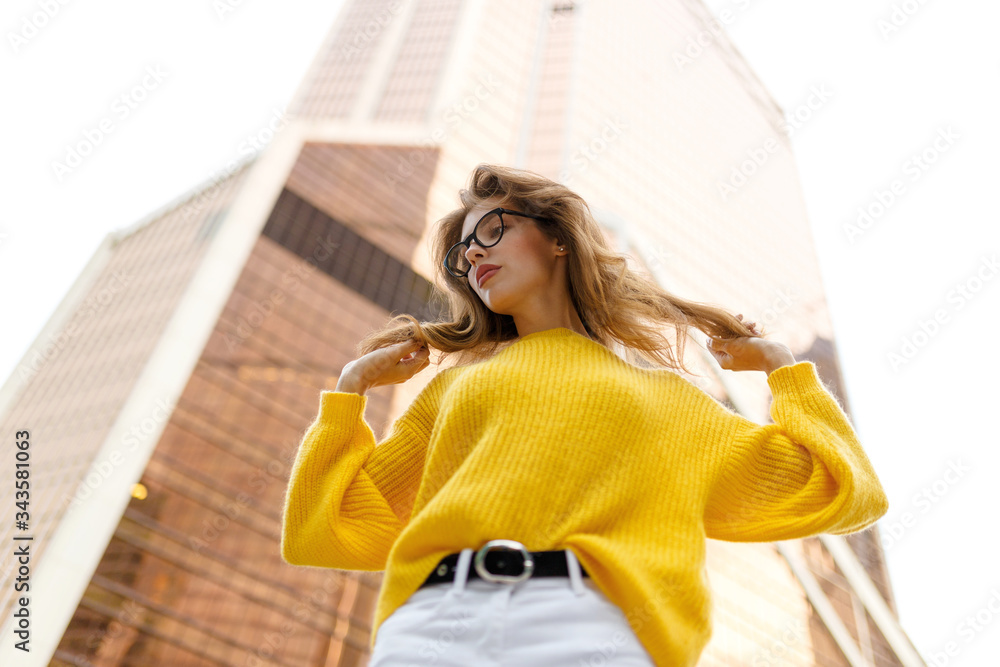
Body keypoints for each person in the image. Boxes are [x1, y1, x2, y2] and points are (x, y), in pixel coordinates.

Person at [280, 163, 889, 666]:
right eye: (463, 252)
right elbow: (323, 528)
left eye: (491, 229)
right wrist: (348, 395)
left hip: (593, 628)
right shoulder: (455, 390)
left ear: (557, 237)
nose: (473, 255)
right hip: (435, 624)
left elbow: (844, 488)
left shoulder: (672, 402)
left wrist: (784, 371)